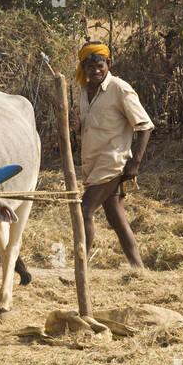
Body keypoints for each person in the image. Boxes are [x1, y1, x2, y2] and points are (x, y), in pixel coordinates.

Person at [74, 42, 153, 268]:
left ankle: (81, 271)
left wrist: (135, 162)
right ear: (83, 67)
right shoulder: (83, 91)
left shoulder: (119, 88)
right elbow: (93, 127)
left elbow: (145, 126)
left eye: (100, 65)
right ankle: (139, 269)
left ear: (108, 64)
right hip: (92, 162)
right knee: (116, 218)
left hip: (113, 162)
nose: (95, 70)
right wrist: (77, 126)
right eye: (90, 67)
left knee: (84, 211)